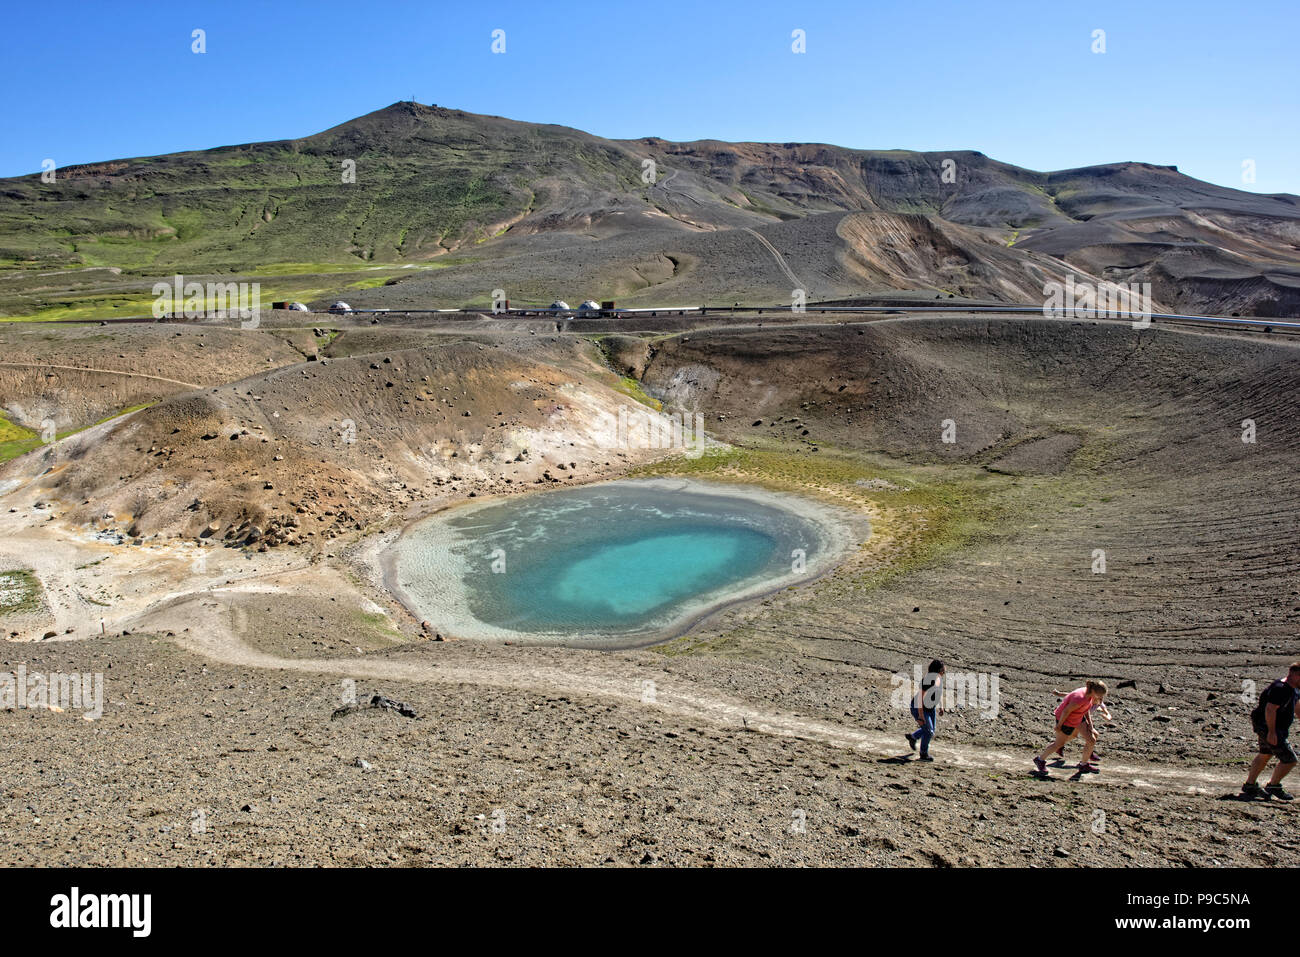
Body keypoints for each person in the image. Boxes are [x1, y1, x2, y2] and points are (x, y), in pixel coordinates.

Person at [1241, 663, 1300, 801]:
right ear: (1295, 675)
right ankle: (1274, 786)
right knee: (1290, 760)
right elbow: (1270, 709)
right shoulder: (1281, 689)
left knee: (1265, 754)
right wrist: (1272, 732)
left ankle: (1250, 785)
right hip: (1268, 726)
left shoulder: (1294, 689)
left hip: (1271, 727)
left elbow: (1296, 705)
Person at [1033, 680, 1107, 775]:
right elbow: (1066, 712)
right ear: (1093, 692)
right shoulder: (1079, 698)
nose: (1101, 698)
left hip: (1079, 716)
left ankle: (1083, 765)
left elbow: (1086, 708)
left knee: (1091, 740)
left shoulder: (1090, 695)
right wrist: (1059, 726)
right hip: (1066, 719)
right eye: (1100, 695)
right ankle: (1040, 759)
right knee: (1058, 744)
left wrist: (1090, 724)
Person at [907, 660, 945, 762]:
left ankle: (913, 737)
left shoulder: (939, 679)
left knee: (929, 730)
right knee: (928, 731)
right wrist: (920, 715)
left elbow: (939, 693)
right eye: (942, 669)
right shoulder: (928, 680)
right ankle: (923, 754)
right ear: (938, 670)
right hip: (919, 707)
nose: (944, 671)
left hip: (930, 708)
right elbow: (920, 699)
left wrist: (941, 706)